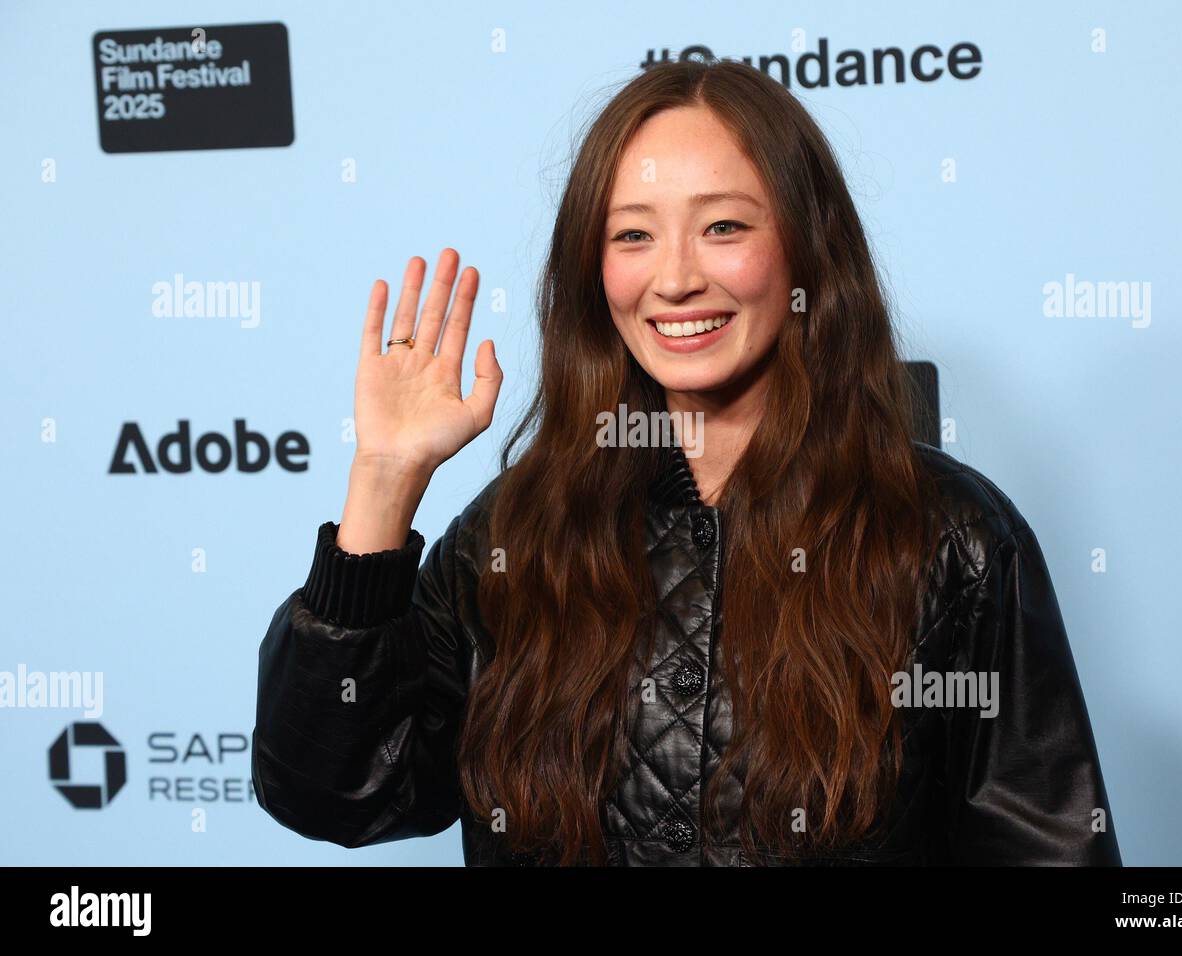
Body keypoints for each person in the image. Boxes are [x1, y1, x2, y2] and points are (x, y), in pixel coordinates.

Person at [252, 58, 1122, 866]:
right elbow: (335, 794)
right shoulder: (515, 534)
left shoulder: (951, 538)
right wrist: (384, 479)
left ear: (806, 249)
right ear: (593, 272)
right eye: (632, 236)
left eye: (723, 226)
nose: (674, 279)